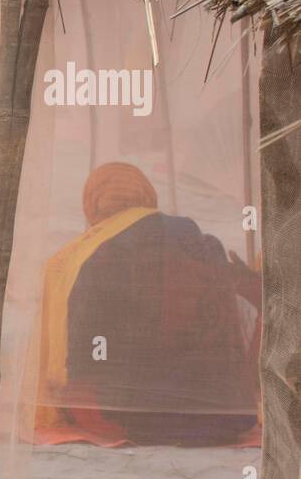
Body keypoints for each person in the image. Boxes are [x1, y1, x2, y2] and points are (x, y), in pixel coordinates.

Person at [36, 162, 259, 444]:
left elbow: (79, 353)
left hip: (124, 420)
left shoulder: (85, 255)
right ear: (147, 193)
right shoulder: (200, 241)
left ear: (92, 203)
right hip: (224, 417)